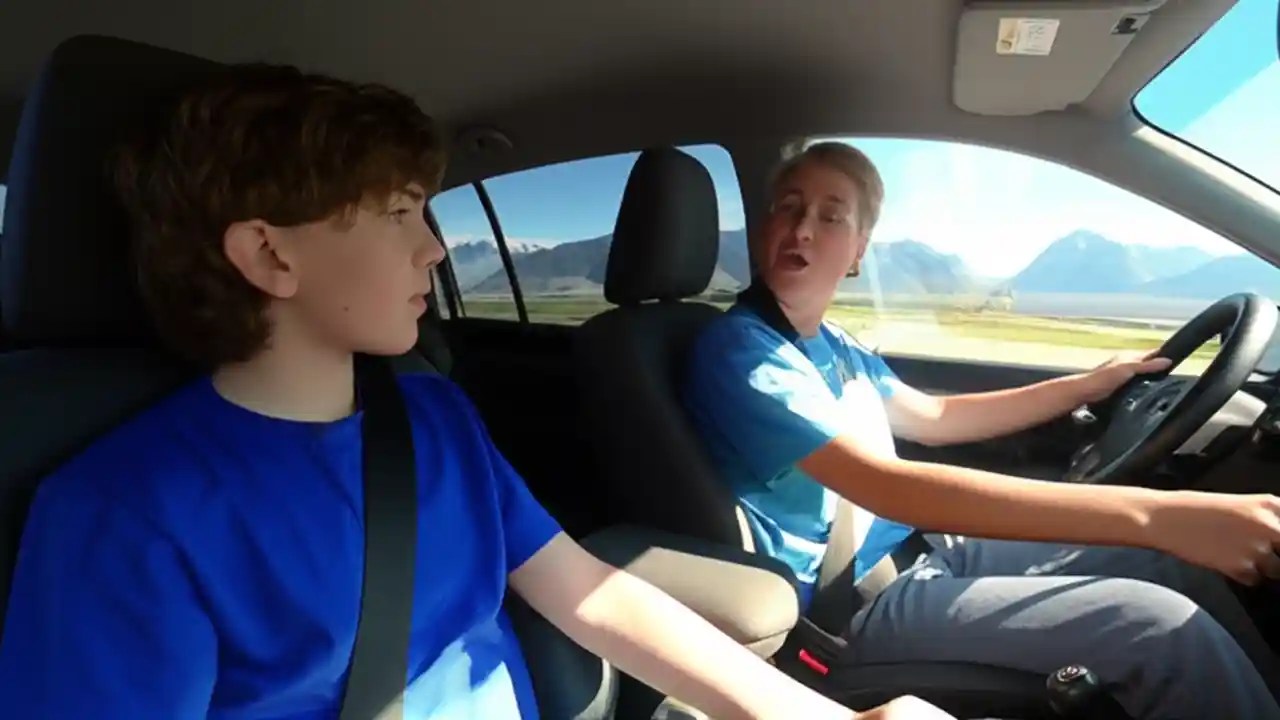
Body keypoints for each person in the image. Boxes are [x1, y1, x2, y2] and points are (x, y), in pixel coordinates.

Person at [0, 68, 947, 720]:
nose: (435, 247)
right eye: (401, 213)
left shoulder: (433, 419)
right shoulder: (120, 517)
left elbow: (589, 595)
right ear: (270, 253)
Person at [682, 141, 1280, 720]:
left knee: (1170, 565)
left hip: (920, 554)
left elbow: (936, 419)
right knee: (1155, 627)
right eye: (788, 207)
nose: (804, 228)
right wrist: (1157, 514)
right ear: (763, 229)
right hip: (856, 601)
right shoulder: (741, 351)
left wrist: (1084, 386)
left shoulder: (831, 343)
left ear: (858, 250)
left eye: (830, 215)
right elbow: (884, 486)